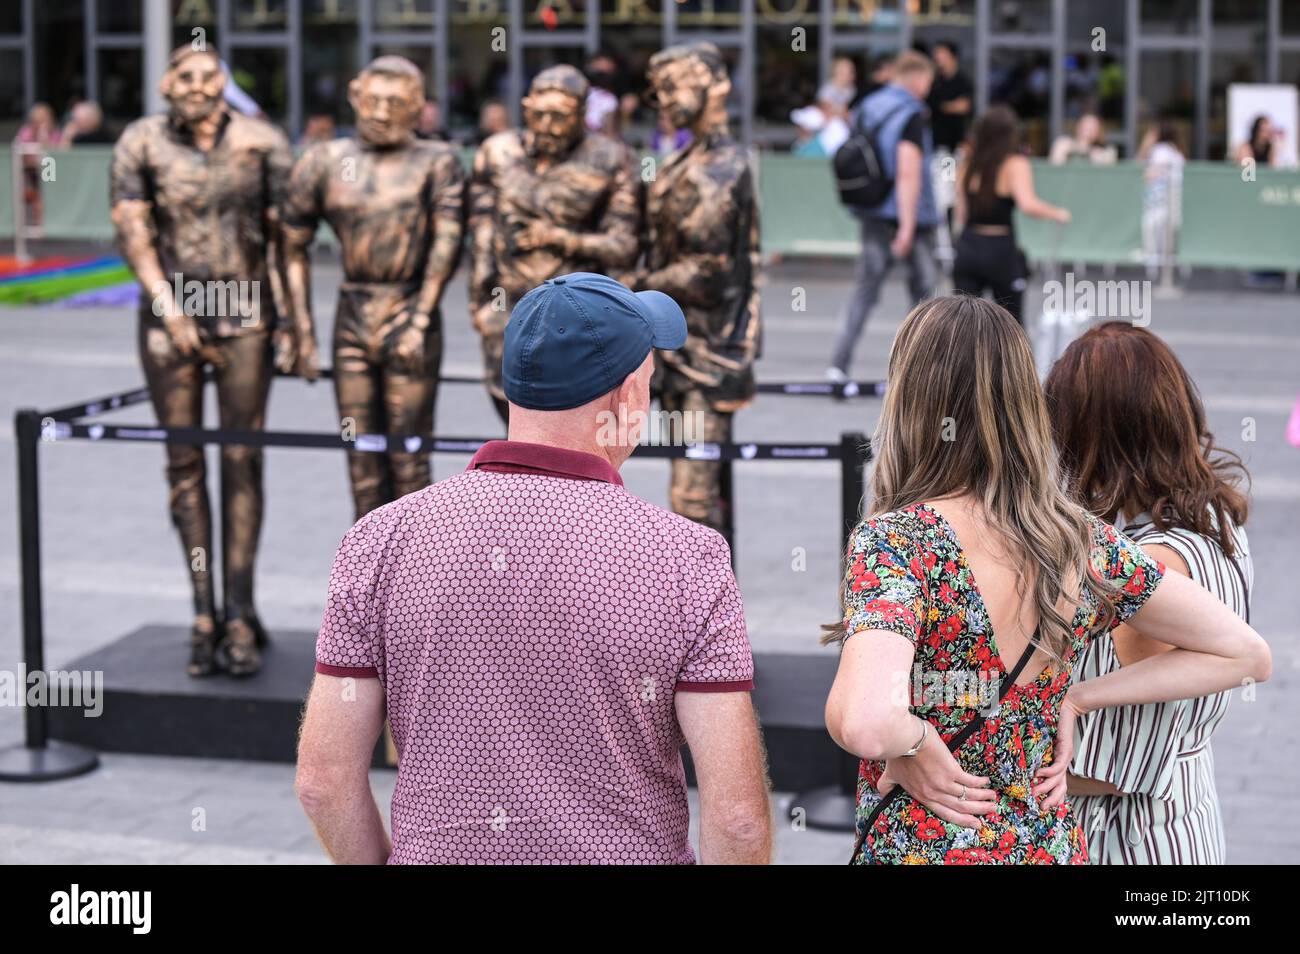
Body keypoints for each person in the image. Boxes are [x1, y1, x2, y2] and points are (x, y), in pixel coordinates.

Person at [296, 272, 772, 865]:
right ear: (626, 398)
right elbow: (738, 821)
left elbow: (323, 781)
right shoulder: (686, 559)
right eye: (649, 385)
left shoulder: (381, 539)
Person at [823, 295, 1271, 865]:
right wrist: (1075, 698)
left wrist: (913, 739)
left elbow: (863, 721)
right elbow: (1246, 654)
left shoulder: (900, 542)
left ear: (909, 400)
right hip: (1043, 844)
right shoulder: (1077, 539)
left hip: (927, 842)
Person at [110, 45, 297, 677]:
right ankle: (202, 612)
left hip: (247, 312)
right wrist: (171, 307)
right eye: (185, 76)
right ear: (166, 82)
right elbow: (132, 228)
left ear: (225, 82)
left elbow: (283, 240)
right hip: (171, 317)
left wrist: (296, 325)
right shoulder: (140, 140)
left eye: (209, 75)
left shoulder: (261, 139)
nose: (198, 85)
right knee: (184, 464)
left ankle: (241, 610)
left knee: (242, 459)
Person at [1046, 322, 1252, 864]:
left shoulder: (1152, 565)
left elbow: (1118, 764)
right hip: (1184, 822)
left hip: (1129, 841)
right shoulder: (1211, 516)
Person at [282, 56, 465, 521]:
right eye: (374, 101)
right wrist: (300, 329)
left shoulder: (436, 161)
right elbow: (290, 243)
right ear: (355, 96)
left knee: (409, 459)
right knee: (360, 458)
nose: (382, 113)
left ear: (419, 107)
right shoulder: (324, 160)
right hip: (353, 312)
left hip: (408, 306)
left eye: (397, 103)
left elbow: (448, 240)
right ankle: (365, 581)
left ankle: (414, 582)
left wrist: (421, 317)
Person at [627, 42, 761, 537]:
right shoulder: (686, 156)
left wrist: (632, 285)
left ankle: (698, 609)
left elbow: (708, 271)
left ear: (717, 85)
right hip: (677, 348)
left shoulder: (720, 166)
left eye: (674, 84)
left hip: (708, 350)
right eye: (658, 88)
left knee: (692, 499)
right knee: (693, 487)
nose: (663, 97)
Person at [467, 65, 640, 425]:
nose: (548, 125)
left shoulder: (612, 158)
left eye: (560, 116)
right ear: (526, 108)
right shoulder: (497, 152)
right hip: (508, 311)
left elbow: (623, 245)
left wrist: (561, 238)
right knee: (516, 427)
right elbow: (482, 231)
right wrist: (479, 301)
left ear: (581, 114)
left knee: (572, 432)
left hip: (579, 319)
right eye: (538, 114)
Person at [827, 50, 938, 384]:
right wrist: (906, 225)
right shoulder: (912, 114)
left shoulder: (867, 106)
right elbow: (908, 173)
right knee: (924, 298)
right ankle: (917, 371)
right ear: (918, 79)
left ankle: (838, 364)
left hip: (872, 212)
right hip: (910, 219)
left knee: (864, 290)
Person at [952, 104, 1070, 324]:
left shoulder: (967, 165)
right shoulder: (1015, 164)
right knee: (1011, 323)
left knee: (963, 325)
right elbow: (1027, 204)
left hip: (968, 246)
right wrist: (1057, 213)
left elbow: (961, 213)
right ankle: (1012, 360)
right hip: (1001, 249)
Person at [1137, 122, 1184, 275]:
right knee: (1166, 233)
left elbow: (1149, 172)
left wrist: (1146, 146)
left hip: (1161, 199)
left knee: (1153, 229)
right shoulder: (1175, 152)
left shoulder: (1161, 151)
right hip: (1171, 199)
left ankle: (1155, 267)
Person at [926, 40, 972, 157]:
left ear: (953, 57)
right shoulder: (933, 82)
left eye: (942, 54)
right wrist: (951, 106)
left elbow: (965, 107)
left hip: (957, 142)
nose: (938, 57)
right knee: (945, 173)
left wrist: (943, 106)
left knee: (952, 174)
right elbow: (930, 106)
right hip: (937, 142)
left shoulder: (963, 82)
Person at [1048, 112, 1117, 165]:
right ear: (1077, 127)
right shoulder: (1064, 143)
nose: (1087, 131)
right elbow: (1055, 166)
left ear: (1098, 131)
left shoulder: (1106, 150)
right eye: (1085, 126)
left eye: (1091, 128)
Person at [817, 55, 858, 119]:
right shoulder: (827, 89)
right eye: (849, 72)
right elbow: (825, 109)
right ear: (838, 73)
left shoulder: (852, 89)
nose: (852, 76)